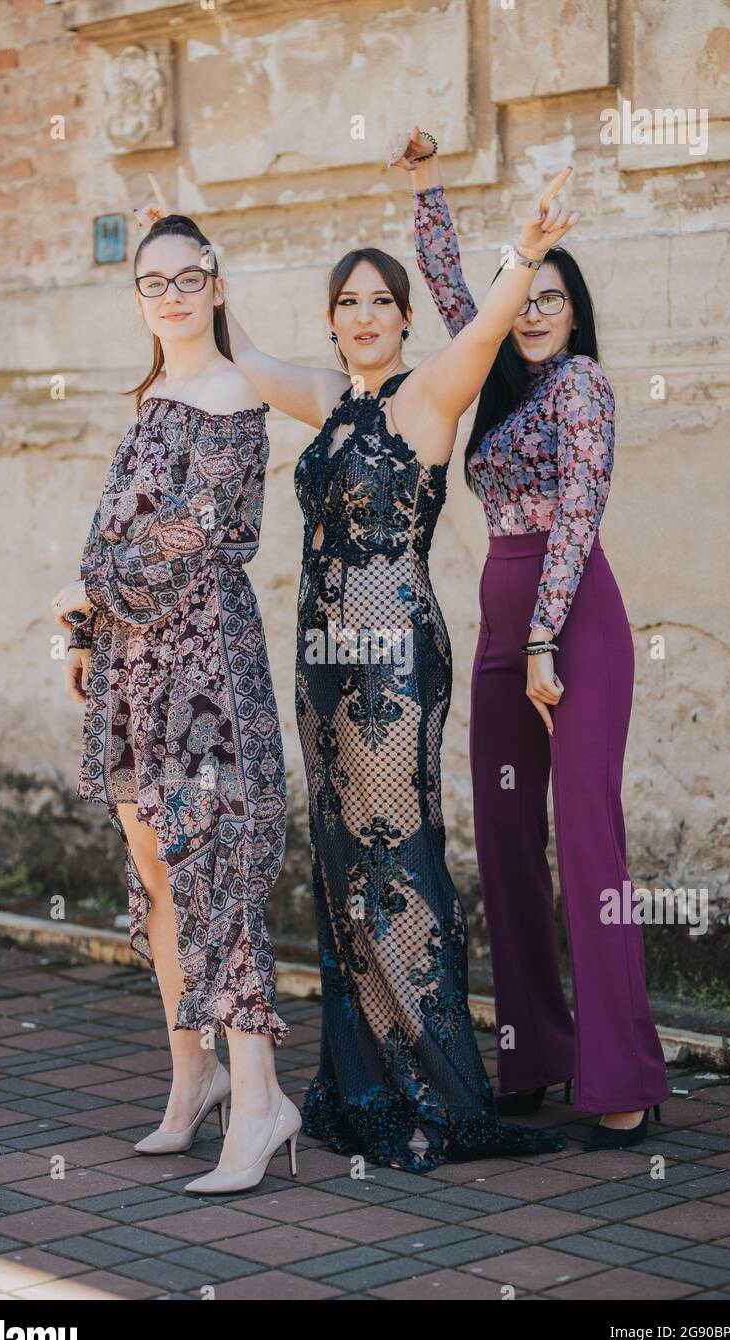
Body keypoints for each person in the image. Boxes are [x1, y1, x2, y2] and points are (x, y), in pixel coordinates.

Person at [218, 163, 578, 1171]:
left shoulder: (430, 395)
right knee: (342, 869)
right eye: (348, 301)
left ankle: (436, 1087)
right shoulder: (327, 399)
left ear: (402, 318)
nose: (365, 314)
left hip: (391, 665)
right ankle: (365, 1081)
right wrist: (203, 281)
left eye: (382, 301)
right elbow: (241, 359)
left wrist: (526, 248)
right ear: (332, 321)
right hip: (320, 666)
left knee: (397, 862)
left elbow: (486, 325)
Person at [394, 126, 669, 1150]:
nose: (537, 310)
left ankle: (622, 1072)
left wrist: (547, 638)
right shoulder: (499, 377)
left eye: (554, 296)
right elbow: (447, 281)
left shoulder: (583, 387)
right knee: (506, 843)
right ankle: (534, 1054)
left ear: (576, 312)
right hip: (503, 622)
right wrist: (426, 180)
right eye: (528, 297)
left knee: (587, 844)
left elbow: (579, 515)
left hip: (572, 621)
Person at [51, 193, 300, 1194]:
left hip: (201, 657)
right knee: (153, 864)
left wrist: (86, 591)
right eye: (151, 281)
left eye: (186, 278)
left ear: (217, 284)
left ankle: (260, 1101)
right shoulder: (154, 395)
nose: (168, 295)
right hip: (129, 661)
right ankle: (190, 1075)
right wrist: (85, 625)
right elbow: (115, 520)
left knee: (213, 868)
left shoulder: (234, 394)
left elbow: (190, 531)